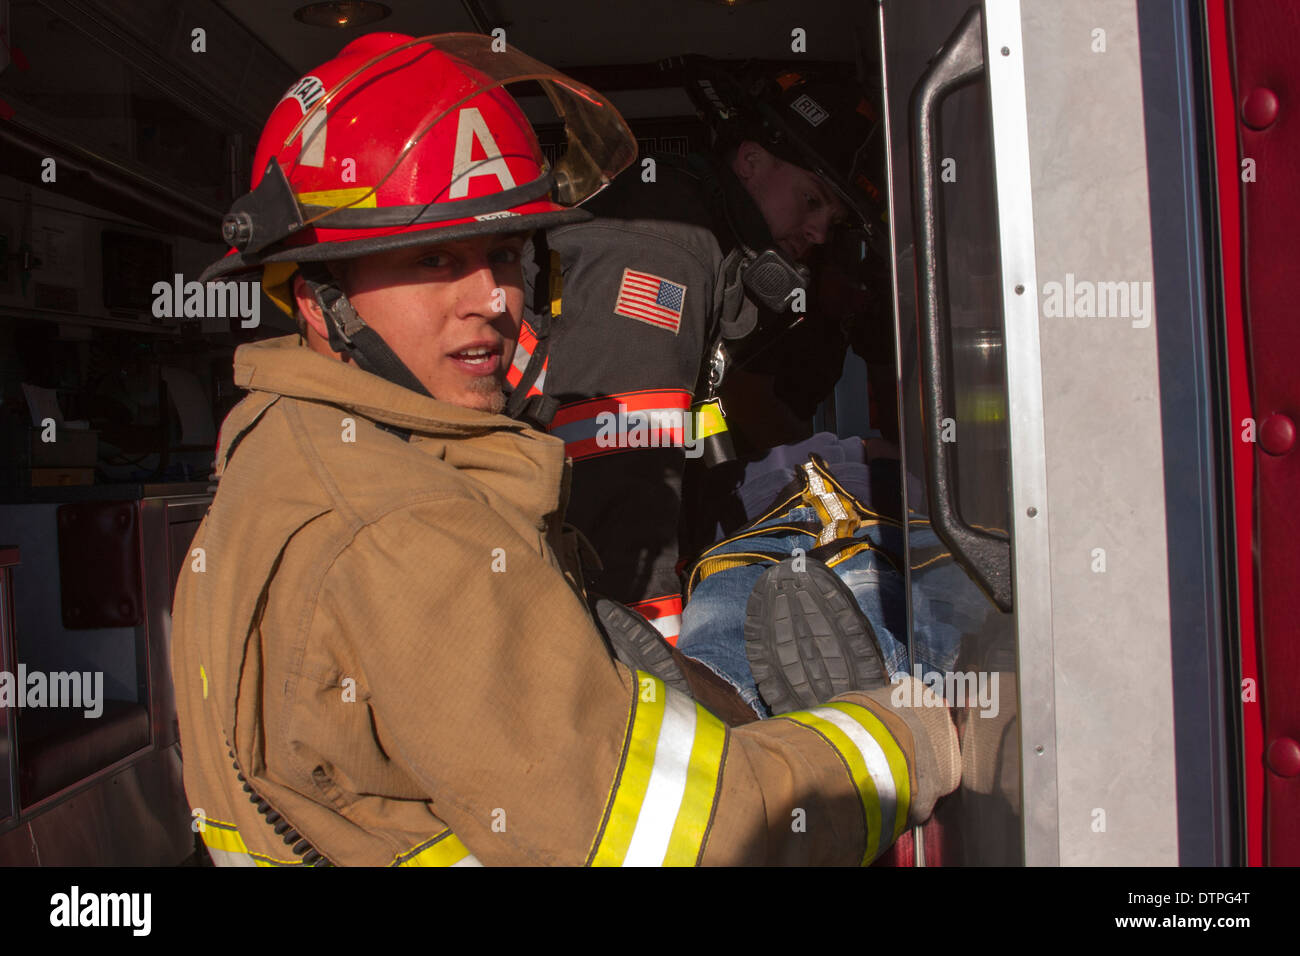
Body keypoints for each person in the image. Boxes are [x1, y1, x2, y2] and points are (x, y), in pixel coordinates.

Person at [171, 32, 959, 867]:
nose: (493, 300)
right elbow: (685, 844)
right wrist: (900, 743)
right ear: (318, 298)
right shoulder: (411, 533)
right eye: (434, 257)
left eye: (505, 253)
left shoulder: (273, 440)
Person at [511, 58, 889, 647]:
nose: (818, 232)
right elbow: (619, 472)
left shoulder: (708, 245)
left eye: (831, 219)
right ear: (751, 161)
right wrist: (654, 656)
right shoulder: (666, 254)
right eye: (811, 200)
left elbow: (695, 448)